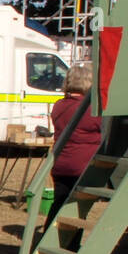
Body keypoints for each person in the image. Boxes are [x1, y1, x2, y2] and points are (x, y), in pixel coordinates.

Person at [43, 62, 102, 235]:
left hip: (61, 164)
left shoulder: (59, 105)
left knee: (59, 205)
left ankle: (49, 237)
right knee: (77, 211)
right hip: (82, 166)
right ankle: (70, 244)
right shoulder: (90, 109)